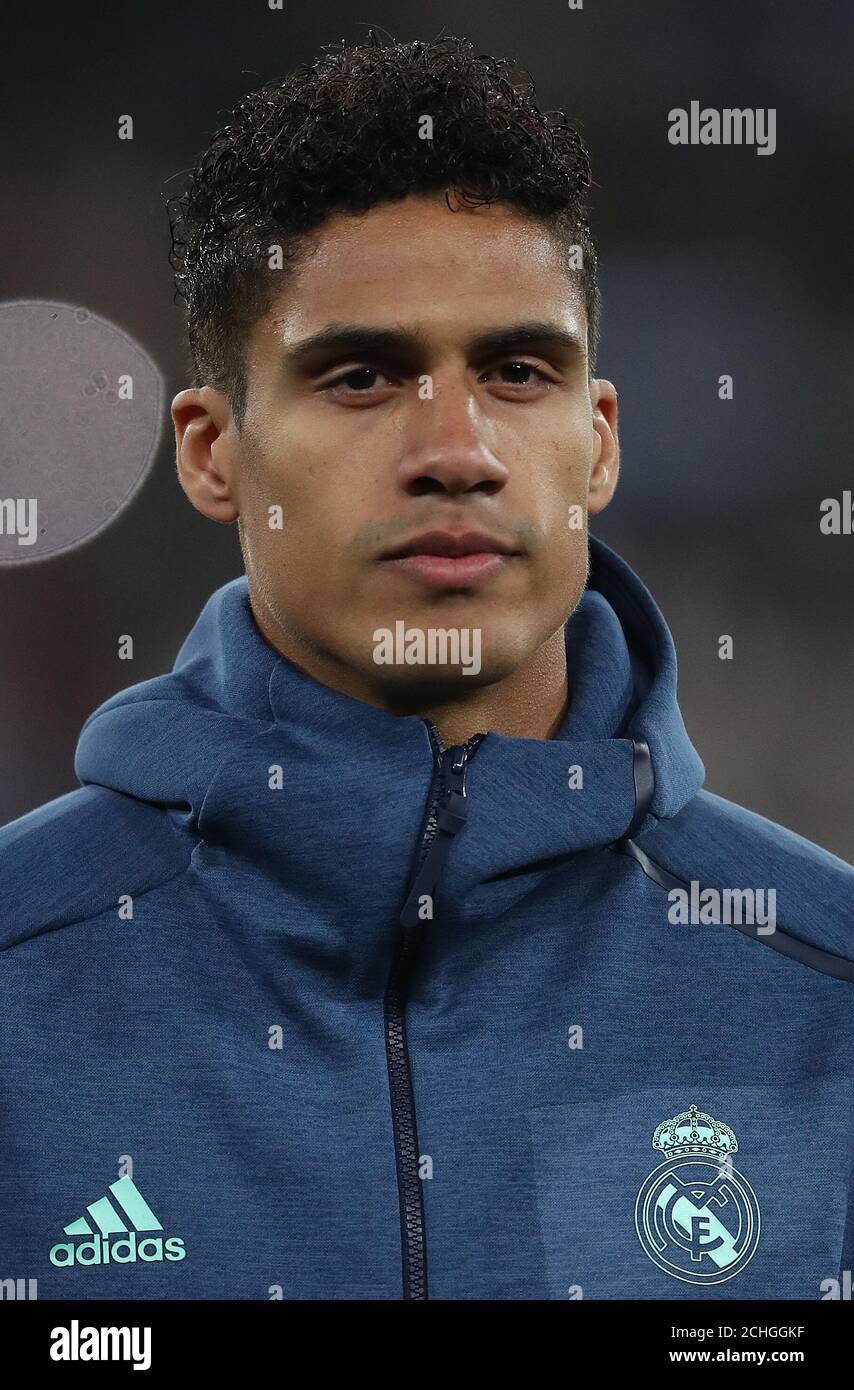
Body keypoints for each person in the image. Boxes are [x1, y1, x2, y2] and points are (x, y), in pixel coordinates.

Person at [1, 32, 852, 1302]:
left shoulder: (824, 983)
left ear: (598, 442)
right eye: (360, 377)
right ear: (210, 451)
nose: (457, 451)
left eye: (516, 372)